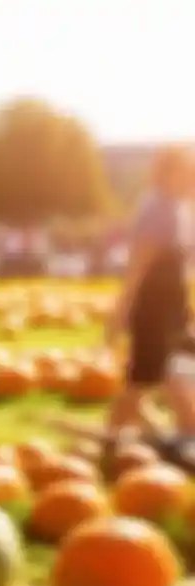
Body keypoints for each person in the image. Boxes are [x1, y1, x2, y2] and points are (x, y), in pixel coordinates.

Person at [105, 146, 194, 434]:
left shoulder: (179, 207)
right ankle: (113, 437)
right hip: (153, 309)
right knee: (143, 380)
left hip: (173, 307)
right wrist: (121, 311)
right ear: (169, 173)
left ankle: (181, 433)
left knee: (176, 373)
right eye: (187, 171)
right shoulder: (156, 209)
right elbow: (138, 266)